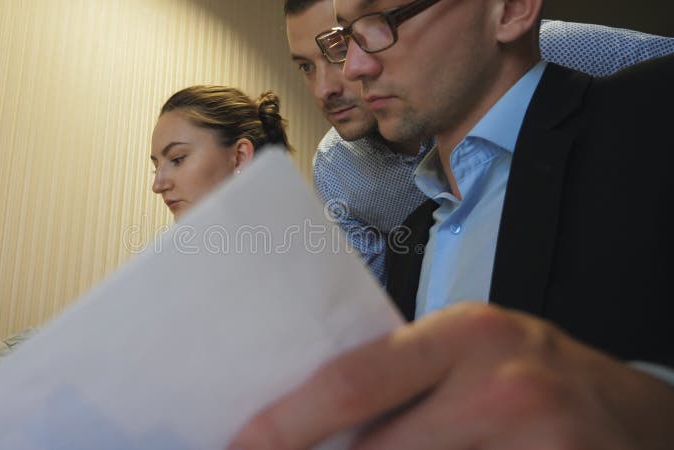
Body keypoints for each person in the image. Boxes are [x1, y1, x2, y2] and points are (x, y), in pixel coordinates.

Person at [230, 0, 674, 448]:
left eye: (384, 20)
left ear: (511, 8)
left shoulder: (653, 111)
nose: (353, 68)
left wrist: (646, 411)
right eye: (344, 38)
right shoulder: (407, 243)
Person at [283, 0, 674, 286]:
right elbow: (372, 308)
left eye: (378, 25)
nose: (329, 86)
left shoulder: (560, 53)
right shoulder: (338, 169)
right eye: (307, 65)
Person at [0, 85, 292, 379]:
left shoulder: (288, 278)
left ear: (239, 156)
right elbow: (84, 334)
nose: (158, 184)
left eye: (177, 159)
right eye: (157, 166)